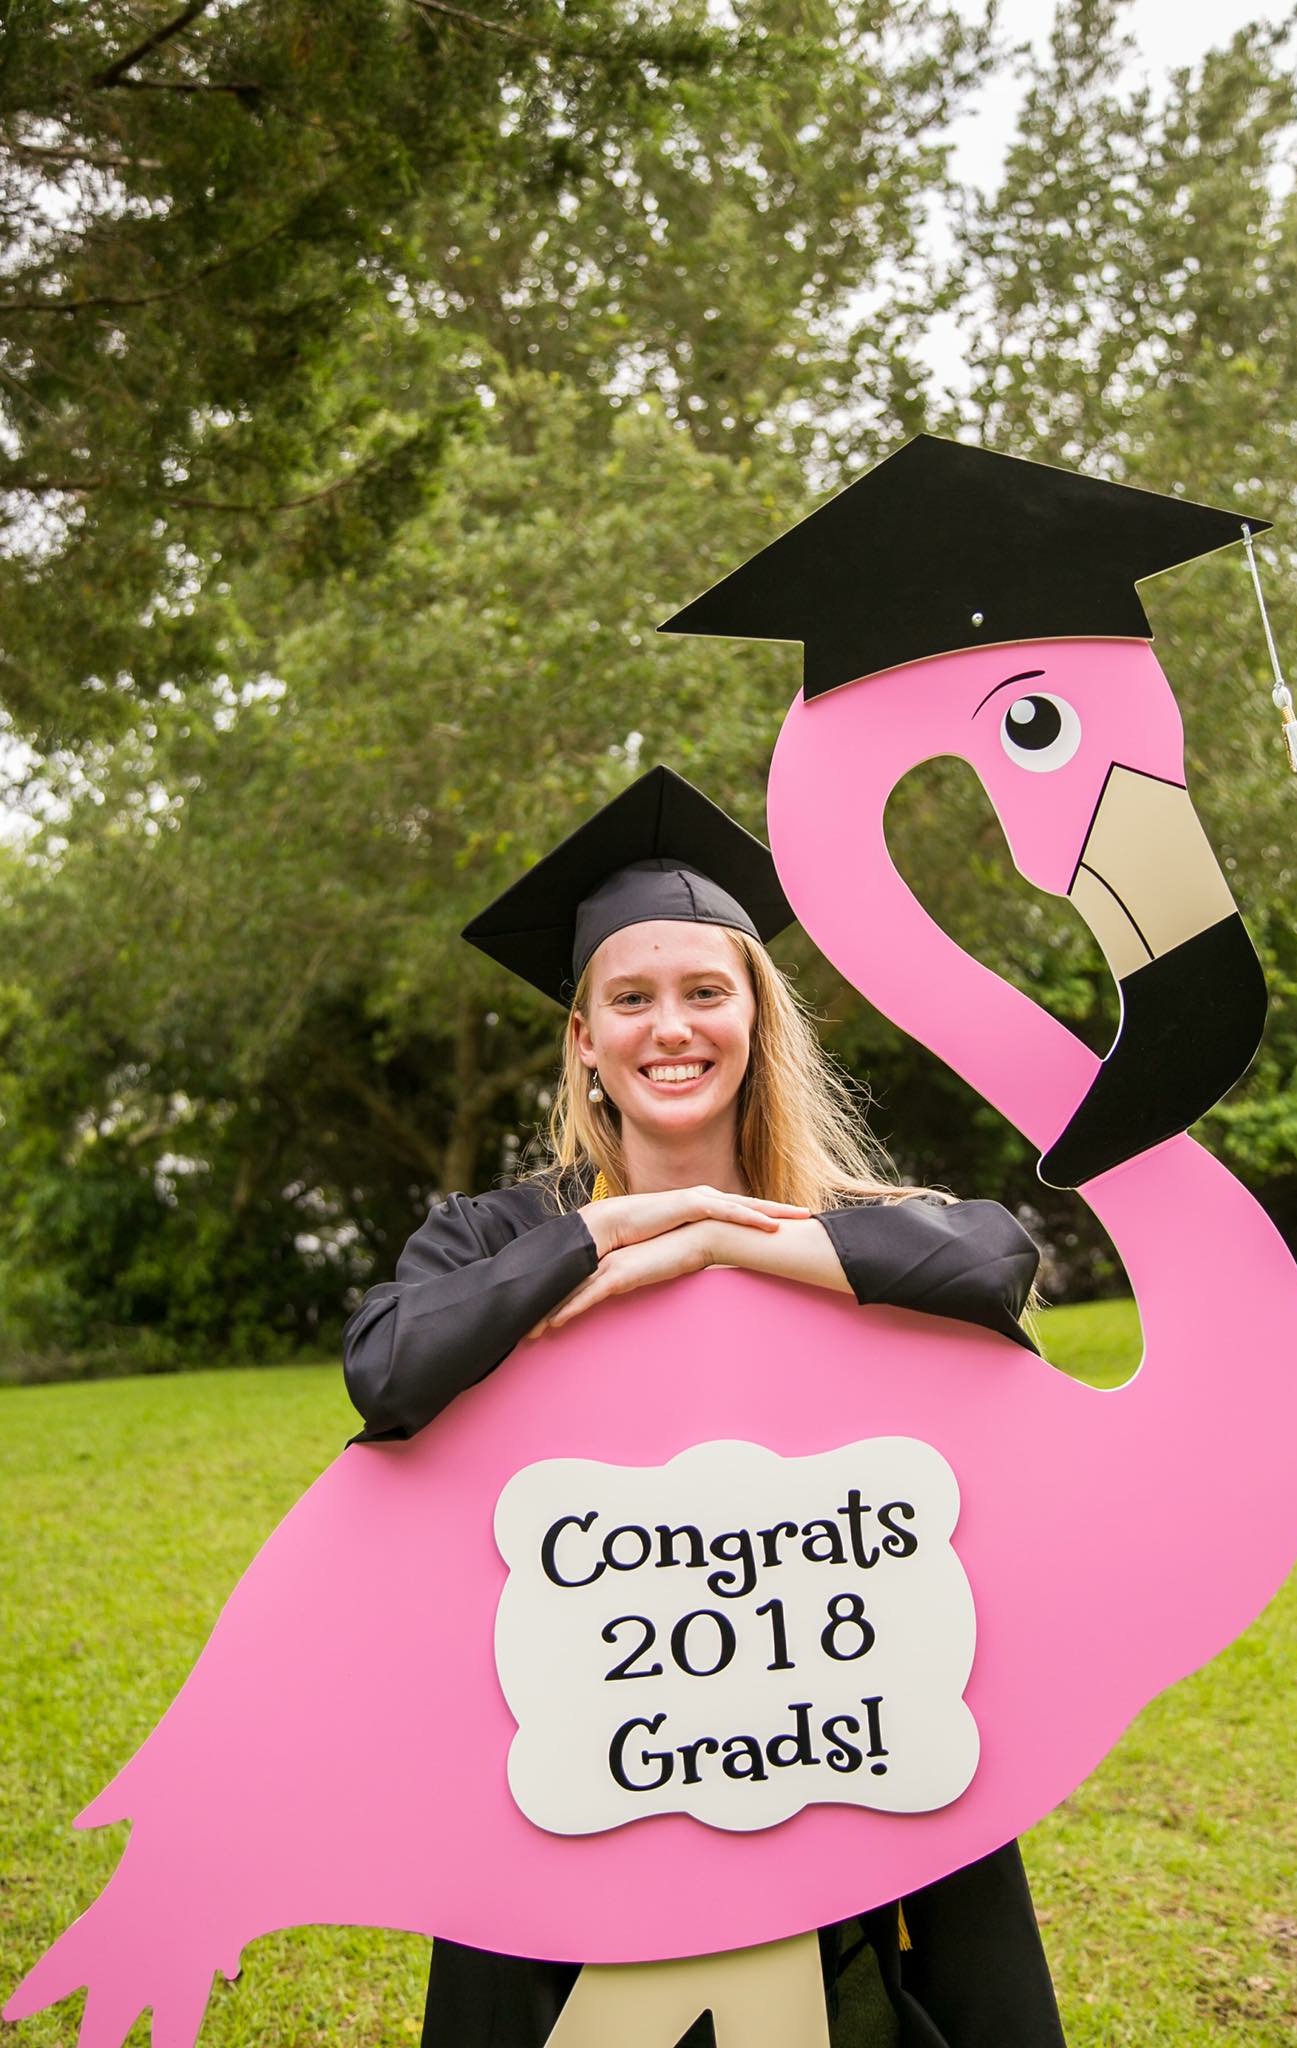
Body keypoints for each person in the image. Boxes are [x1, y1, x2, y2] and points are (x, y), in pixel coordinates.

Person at [341, 766, 1066, 2048]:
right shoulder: (498, 1230)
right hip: (600, 1683)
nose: (667, 1026)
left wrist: (732, 1237)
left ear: (754, 1016)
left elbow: (994, 1258)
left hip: (826, 1673)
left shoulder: (848, 1224)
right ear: (582, 1036)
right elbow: (388, 1367)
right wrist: (608, 1232)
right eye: (629, 998)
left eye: (702, 991)